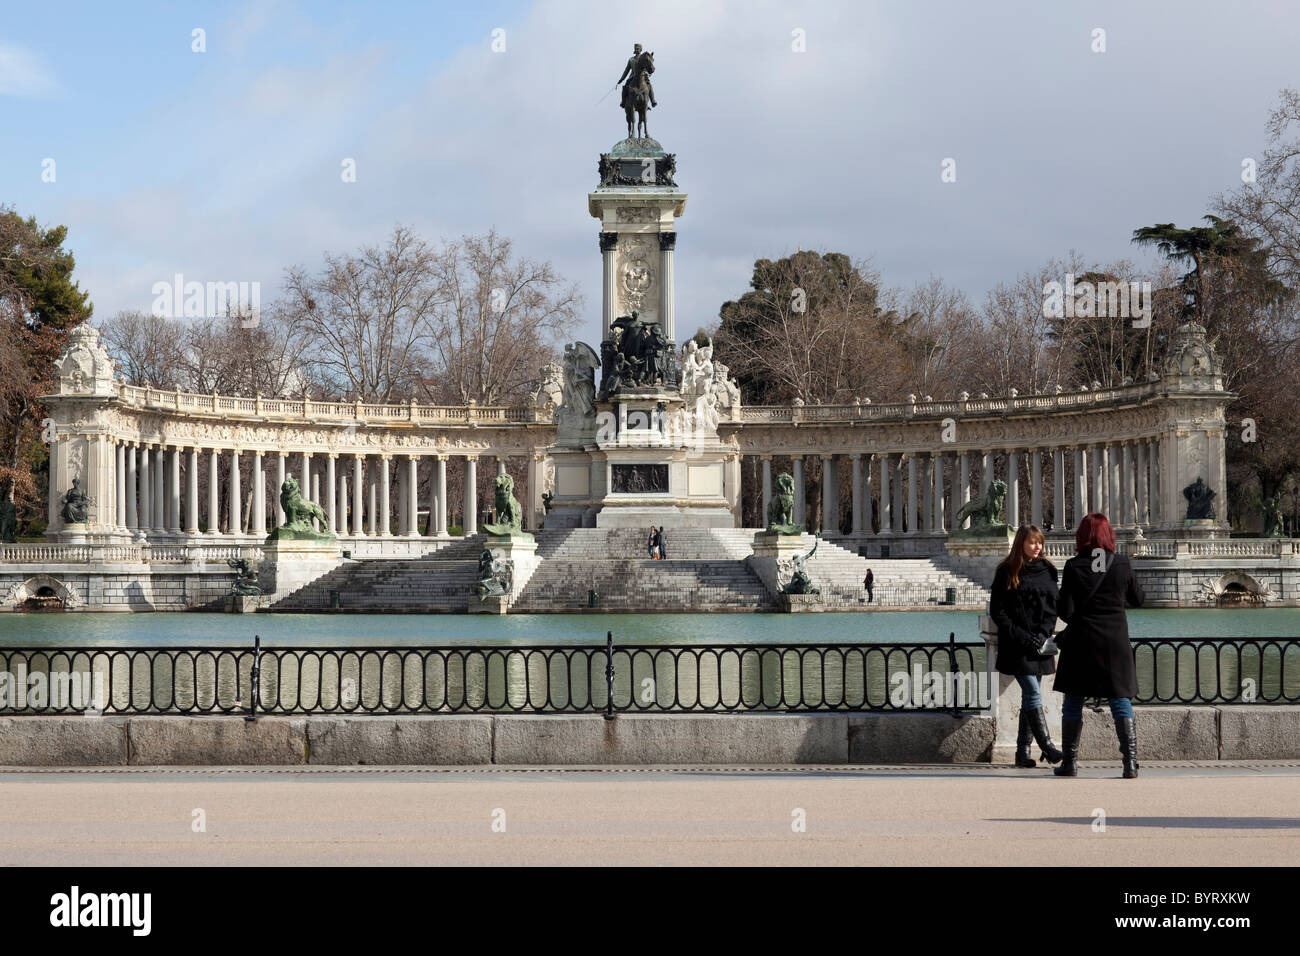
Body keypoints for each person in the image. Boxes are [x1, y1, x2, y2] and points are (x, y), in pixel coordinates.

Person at [1053, 512, 1145, 778]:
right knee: (1120, 699)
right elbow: (1139, 599)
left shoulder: (1073, 566)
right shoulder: (1122, 563)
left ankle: (1069, 763)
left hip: (1081, 640)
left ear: (1081, 536)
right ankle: (1129, 763)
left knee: (1073, 700)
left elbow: (1066, 612)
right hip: (1114, 640)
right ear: (1109, 536)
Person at [990, 524, 1063, 768]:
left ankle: (1022, 753)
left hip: (1040, 644)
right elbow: (998, 611)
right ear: (1021, 543)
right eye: (1032, 542)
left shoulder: (1048, 569)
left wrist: (1043, 634)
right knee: (1032, 693)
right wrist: (1022, 636)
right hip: (1016, 643)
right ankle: (1048, 747)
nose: (1037, 547)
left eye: (1040, 542)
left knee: (1030, 698)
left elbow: (1054, 606)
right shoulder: (1006, 570)